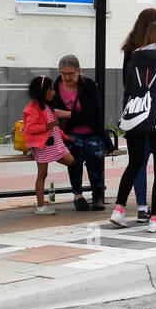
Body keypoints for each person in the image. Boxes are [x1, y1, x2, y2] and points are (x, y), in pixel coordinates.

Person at [109, 21, 156, 232]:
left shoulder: (133, 61)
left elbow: (128, 91)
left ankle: (119, 210)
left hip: (135, 120)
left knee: (134, 164)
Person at [51, 55, 105, 211]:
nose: (67, 78)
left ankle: (97, 195)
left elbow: (93, 113)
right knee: (73, 155)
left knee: (94, 154)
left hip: (92, 131)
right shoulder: (55, 86)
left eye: (70, 74)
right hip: (69, 133)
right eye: (63, 73)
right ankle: (78, 195)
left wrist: (66, 114)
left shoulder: (88, 85)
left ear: (78, 71)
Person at [22, 75, 74, 216]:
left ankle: (41, 204)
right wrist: (47, 126)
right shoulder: (32, 109)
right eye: (51, 90)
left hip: (55, 143)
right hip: (43, 146)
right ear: (41, 91)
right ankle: (40, 205)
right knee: (42, 174)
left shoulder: (47, 106)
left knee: (71, 161)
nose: (54, 92)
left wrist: (66, 137)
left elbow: (55, 128)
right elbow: (30, 128)